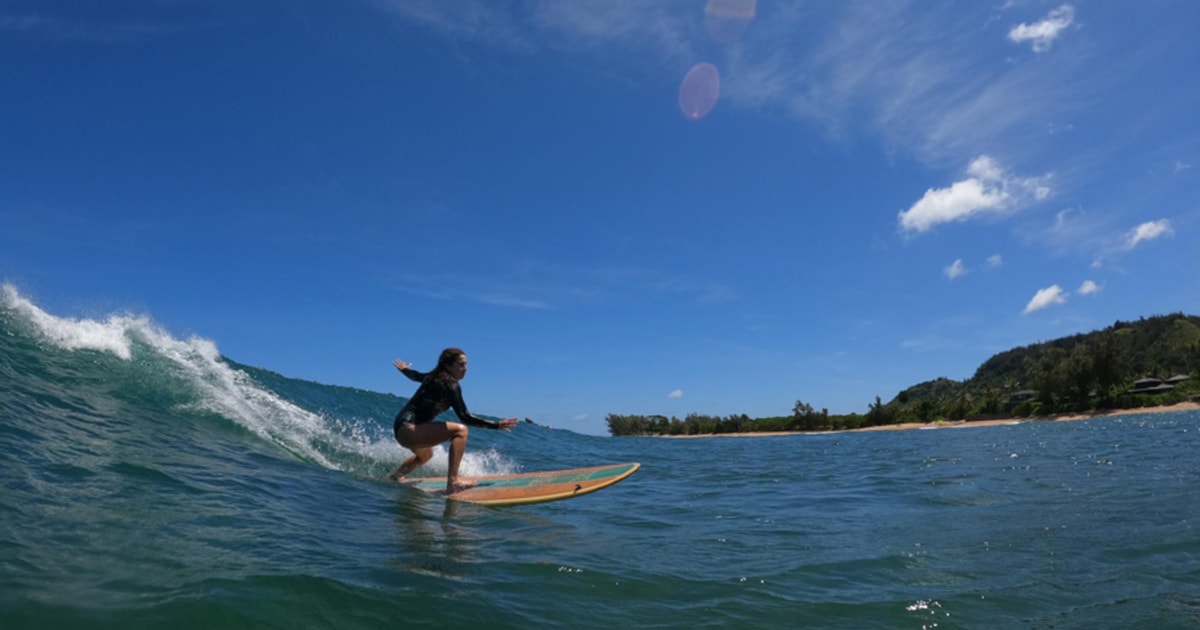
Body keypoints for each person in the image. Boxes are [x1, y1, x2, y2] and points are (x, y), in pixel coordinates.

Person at [388, 347, 518, 494]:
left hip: (401, 428)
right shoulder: (451, 385)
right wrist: (496, 425)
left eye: (466, 364)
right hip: (410, 430)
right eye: (461, 365)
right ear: (448, 366)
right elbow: (465, 417)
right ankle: (453, 483)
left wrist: (404, 369)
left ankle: (395, 477)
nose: (465, 368)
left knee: (426, 455)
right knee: (461, 431)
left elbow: (415, 375)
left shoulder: (432, 377)